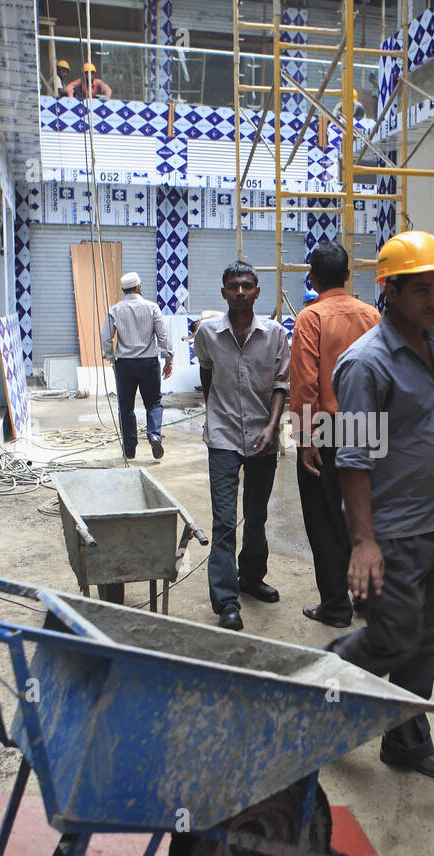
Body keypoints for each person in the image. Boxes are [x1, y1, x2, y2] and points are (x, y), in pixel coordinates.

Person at [326, 231, 434, 781]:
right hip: (393, 531)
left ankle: (406, 741)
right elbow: (354, 459)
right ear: (390, 291)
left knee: (425, 642)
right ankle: (321, 680)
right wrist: (364, 541)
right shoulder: (368, 365)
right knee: (392, 637)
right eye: (422, 291)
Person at [193, 262, 290, 632]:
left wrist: (272, 426)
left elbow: (281, 384)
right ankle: (226, 601)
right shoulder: (207, 333)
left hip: (263, 435)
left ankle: (250, 577)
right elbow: (206, 371)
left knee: (256, 514)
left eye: (247, 285)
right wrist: (213, 410)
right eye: (233, 286)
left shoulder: (274, 334)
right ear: (223, 292)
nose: (240, 292)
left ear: (257, 291)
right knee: (223, 520)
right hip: (222, 436)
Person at [290, 241, 379, 628]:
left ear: (312, 278)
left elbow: (305, 382)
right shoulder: (372, 316)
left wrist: (304, 438)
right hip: (369, 425)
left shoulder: (310, 318)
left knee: (325, 521)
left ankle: (336, 607)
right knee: (364, 515)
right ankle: (368, 599)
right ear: (348, 275)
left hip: (327, 428)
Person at [101, 271, 172, 460]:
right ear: (139, 287)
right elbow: (163, 336)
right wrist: (168, 359)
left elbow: (105, 337)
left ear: (123, 290)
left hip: (125, 364)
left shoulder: (115, 310)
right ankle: (154, 435)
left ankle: (130, 448)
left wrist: (112, 358)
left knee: (126, 407)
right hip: (149, 363)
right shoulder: (152, 307)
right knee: (153, 403)